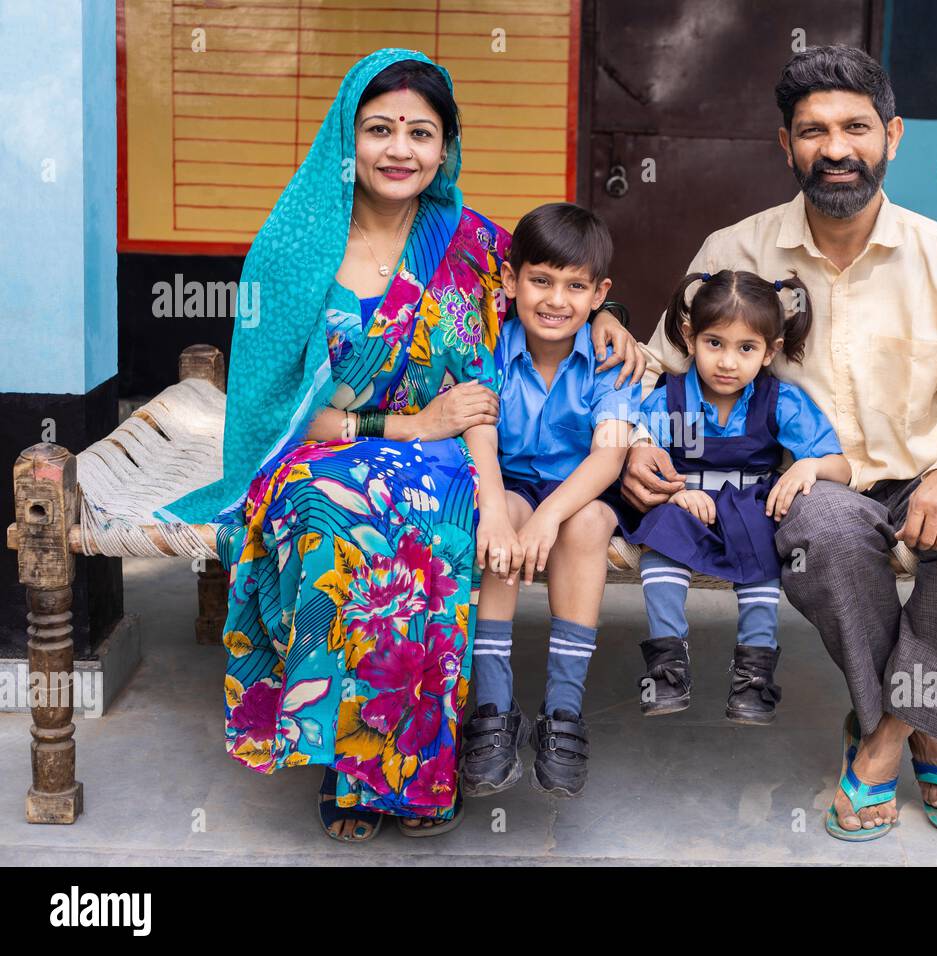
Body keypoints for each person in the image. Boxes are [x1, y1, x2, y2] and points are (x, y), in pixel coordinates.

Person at [157, 50, 643, 843]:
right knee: (337, 510)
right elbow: (272, 410)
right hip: (321, 454)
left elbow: (555, 284)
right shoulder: (290, 250)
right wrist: (404, 427)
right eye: (379, 129)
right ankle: (347, 766)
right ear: (347, 138)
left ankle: (414, 769)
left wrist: (610, 313)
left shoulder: (473, 243)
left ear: (446, 148)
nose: (400, 149)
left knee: (440, 512)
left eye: (421, 132)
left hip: (446, 455)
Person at [620, 45, 937, 841]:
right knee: (822, 529)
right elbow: (657, 372)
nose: (836, 148)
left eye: (856, 126)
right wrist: (637, 440)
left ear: (893, 135)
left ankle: (885, 737)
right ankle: (935, 734)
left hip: (929, 480)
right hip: (807, 490)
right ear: (786, 146)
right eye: (812, 131)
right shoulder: (733, 253)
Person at [459, 203, 642, 799]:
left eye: (576, 286)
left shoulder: (610, 364)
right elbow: (481, 434)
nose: (556, 299)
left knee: (586, 523)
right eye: (540, 280)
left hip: (581, 491)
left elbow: (608, 458)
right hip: (510, 484)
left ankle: (562, 710)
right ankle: (492, 706)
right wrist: (499, 511)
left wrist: (550, 515)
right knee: (502, 518)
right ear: (511, 281)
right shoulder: (488, 348)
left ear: (600, 294)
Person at [629, 270, 847, 725]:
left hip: (749, 506)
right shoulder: (668, 400)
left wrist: (811, 465)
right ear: (689, 338)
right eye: (715, 344)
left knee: (763, 553)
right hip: (683, 501)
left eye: (746, 348)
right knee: (660, 543)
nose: (728, 362)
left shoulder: (779, 400)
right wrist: (675, 492)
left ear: (771, 352)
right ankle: (667, 665)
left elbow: (839, 467)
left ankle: (754, 674)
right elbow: (637, 455)